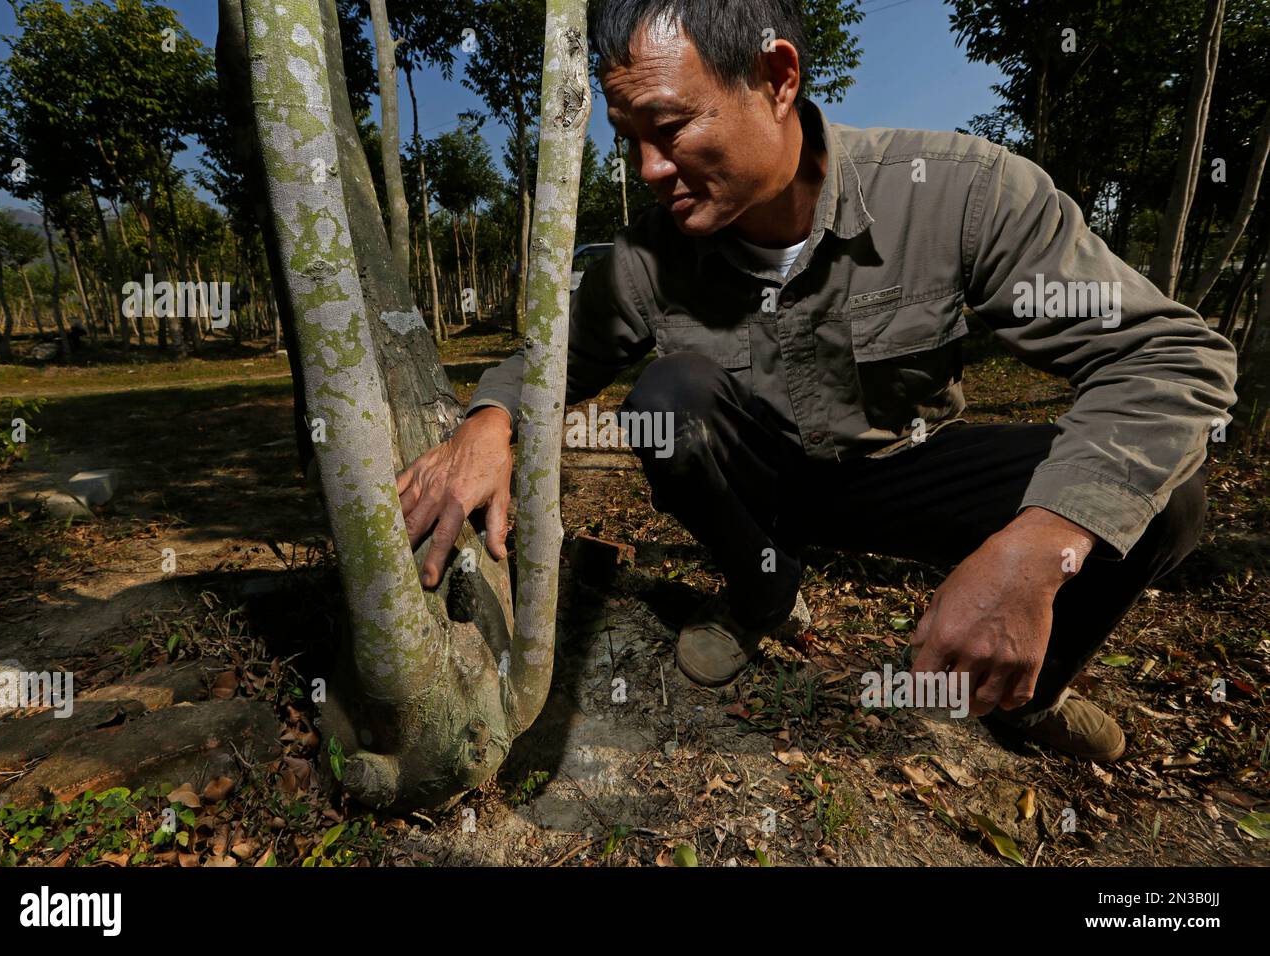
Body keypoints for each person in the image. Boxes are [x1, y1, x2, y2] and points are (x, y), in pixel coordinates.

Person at [394, 0, 1238, 763]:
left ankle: (1028, 697)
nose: (649, 168)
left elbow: (1170, 357)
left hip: (909, 468)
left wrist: (1034, 549)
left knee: (1171, 498)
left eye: (671, 126)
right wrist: (489, 421)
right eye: (630, 140)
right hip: (769, 484)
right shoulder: (647, 259)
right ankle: (765, 599)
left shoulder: (959, 193)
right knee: (669, 398)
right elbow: (545, 368)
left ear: (777, 78)